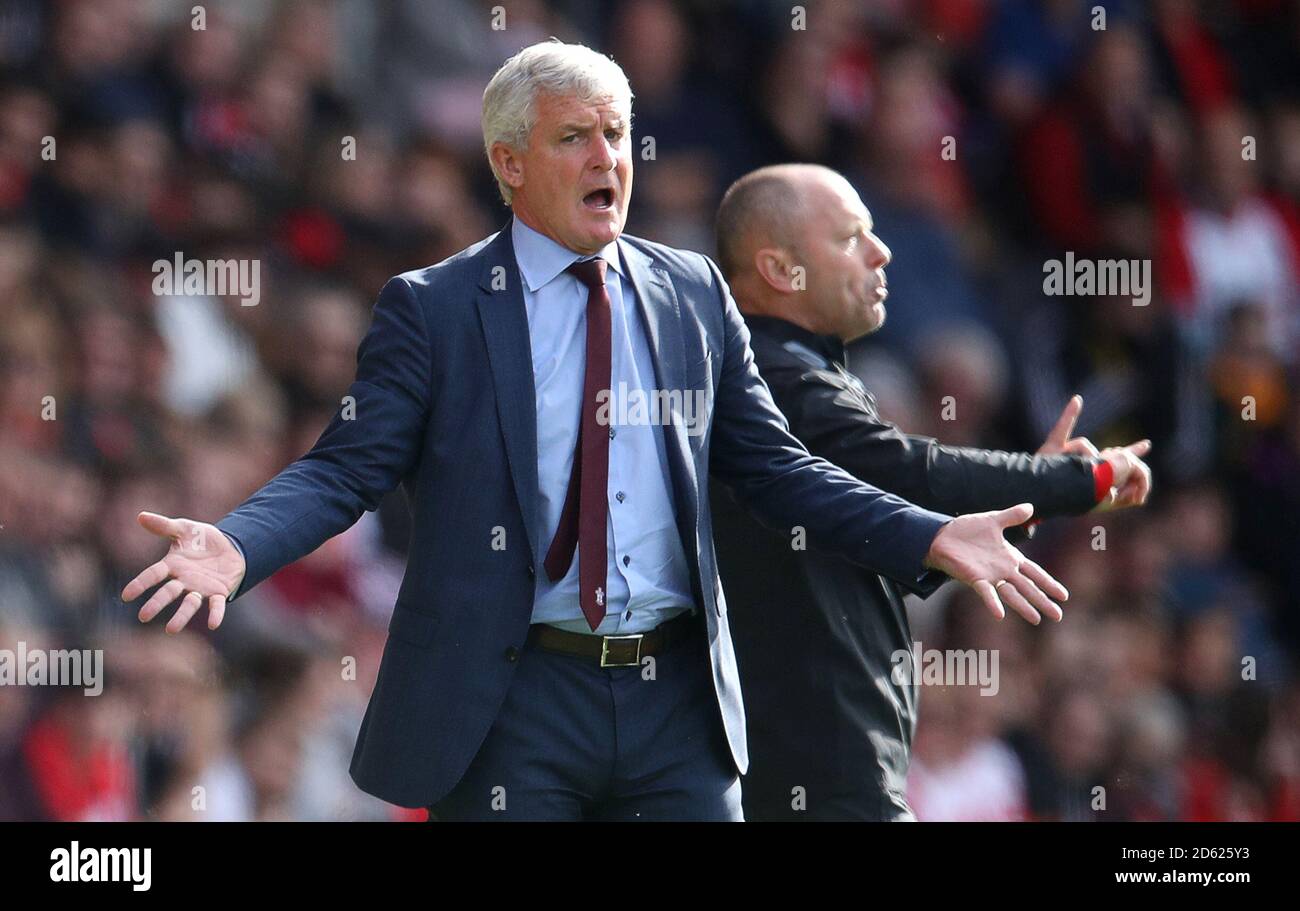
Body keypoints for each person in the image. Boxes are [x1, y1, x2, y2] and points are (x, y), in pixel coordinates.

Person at [121, 42, 1069, 822]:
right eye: (574, 137)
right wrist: (237, 544)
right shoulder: (434, 310)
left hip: (678, 704)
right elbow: (342, 471)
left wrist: (930, 532)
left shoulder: (695, 293)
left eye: (616, 135)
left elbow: (779, 467)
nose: (606, 158)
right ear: (509, 164)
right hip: (514, 703)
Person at [710, 163, 1152, 821]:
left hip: (820, 764)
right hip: (814, 772)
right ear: (780, 269)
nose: (880, 250)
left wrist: (1018, 503)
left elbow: (892, 526)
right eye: (850, 237)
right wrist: (1079, 480)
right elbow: (915, 472)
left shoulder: (796, 374)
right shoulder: (779, 384)